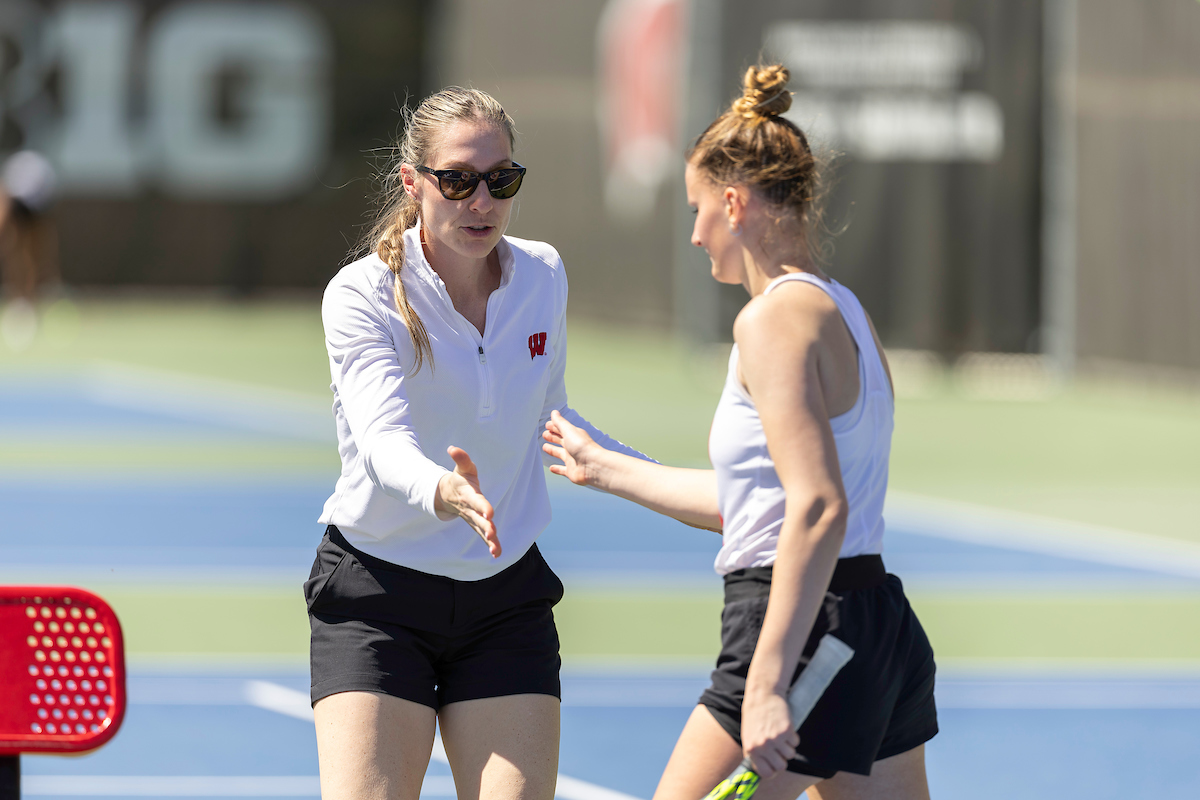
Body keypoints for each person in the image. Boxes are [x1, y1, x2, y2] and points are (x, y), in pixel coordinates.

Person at [542, 64, 937, 800]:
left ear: (733, 203)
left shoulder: (772, 320)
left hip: (803, 630)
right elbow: (763, 504)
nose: (695, 234)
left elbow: (816, 507)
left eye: (697, 209)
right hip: (876, 623)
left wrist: (767, 683)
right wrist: (604, 466)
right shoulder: (844, 309)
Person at [307, 86, 646, 800]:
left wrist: (678, 485)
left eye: (501, 180)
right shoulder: (361, 294)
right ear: (413, 182)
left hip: (506, 598)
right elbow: (381, 439)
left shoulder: (542, 274)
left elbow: (555, 417)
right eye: (458, 180)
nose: (482, 201)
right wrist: (441, 488)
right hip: (378, 594)